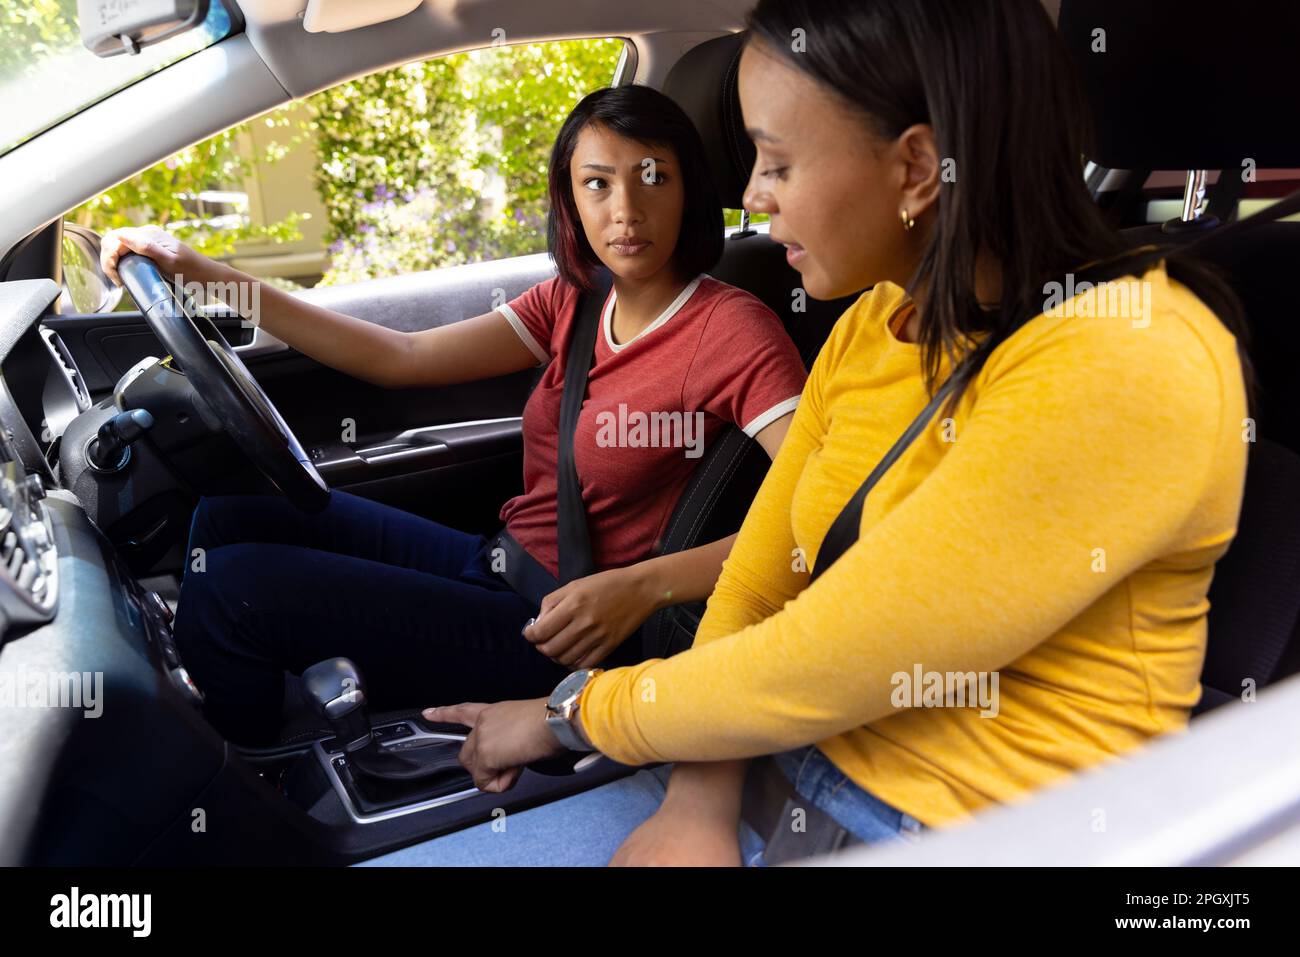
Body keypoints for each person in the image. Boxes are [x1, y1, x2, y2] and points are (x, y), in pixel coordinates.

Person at [365, 0, 1254, 867]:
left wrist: (568, 713)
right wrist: (698, 800)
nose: (751, 194)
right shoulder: (875, 321)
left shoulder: (1129, 356)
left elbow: (829, 657)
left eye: (777, 163)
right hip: (764, 766)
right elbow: (760, 579)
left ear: (916, 170)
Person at [99, 84, 808, 746]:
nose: (624, 207)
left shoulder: (733, 331)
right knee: (225, 515)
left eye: (652, 177)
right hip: (495, 564)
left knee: (232, 594)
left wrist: (646, 584)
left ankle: (251, 796)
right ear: (571, 199)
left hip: (563, 631)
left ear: (690, 191)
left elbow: (819, 518)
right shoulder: (577, 301)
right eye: (598, 182)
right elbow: (401, 357)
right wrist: (202, 273)